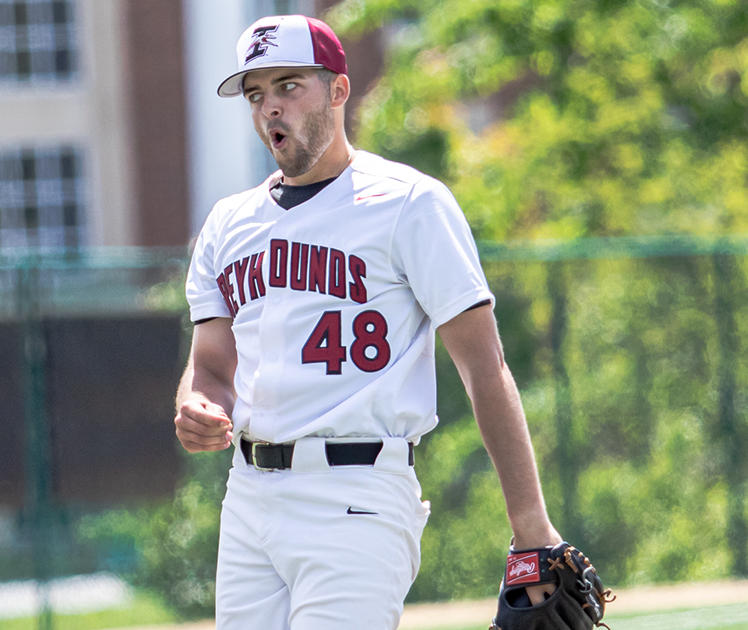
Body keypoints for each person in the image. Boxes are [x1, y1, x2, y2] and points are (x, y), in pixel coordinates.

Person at [173, 14, 561, 630]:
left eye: (289, 85)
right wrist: (198, 404)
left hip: (356, 495)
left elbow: (484, 367)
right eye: (256, 94)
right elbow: (211, 367)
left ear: (338, 90)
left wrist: (531, 529)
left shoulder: (409, 202)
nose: (271, 107)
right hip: (247, 497)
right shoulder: (227, 224)